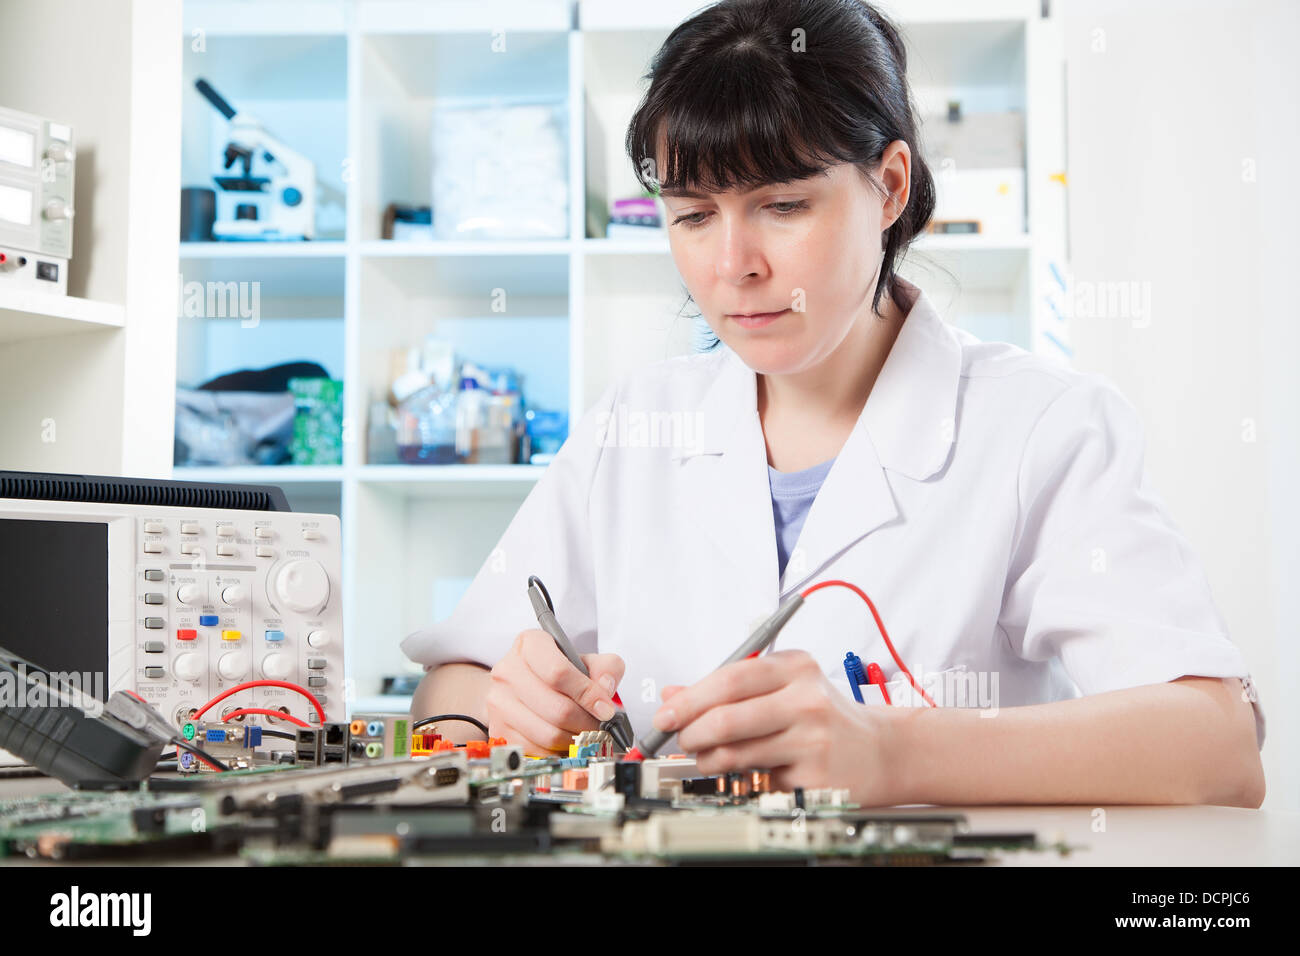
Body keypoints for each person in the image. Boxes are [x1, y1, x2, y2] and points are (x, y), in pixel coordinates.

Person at [402, 0, 1265, 808]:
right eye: (694, 216)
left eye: (782, 205)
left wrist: (890, 753)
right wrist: (501, 710)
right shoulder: (635, 424)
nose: (733, 264)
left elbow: (1218, 746)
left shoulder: (1043, 427)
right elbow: (450, 685)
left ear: (890, 188)